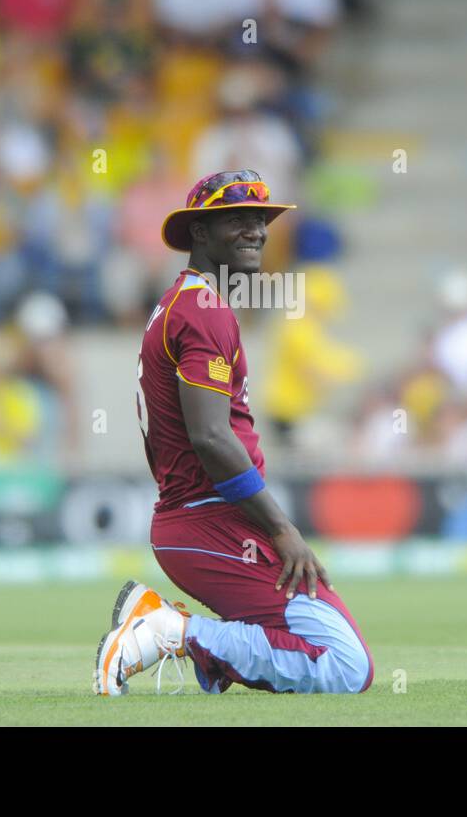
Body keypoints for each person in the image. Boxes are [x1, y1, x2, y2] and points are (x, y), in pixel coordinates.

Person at [94, 169, 373, 696]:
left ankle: (197, 643)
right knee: (346, 666)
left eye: (261, 220)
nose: (257, 230)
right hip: (212, 521)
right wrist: (282, 528)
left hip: (202, 519)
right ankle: (172, 633)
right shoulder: (203, 310)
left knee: (337, 653)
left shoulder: (184, 302)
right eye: (238, 219)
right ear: (199, 233)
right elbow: (211, 437)